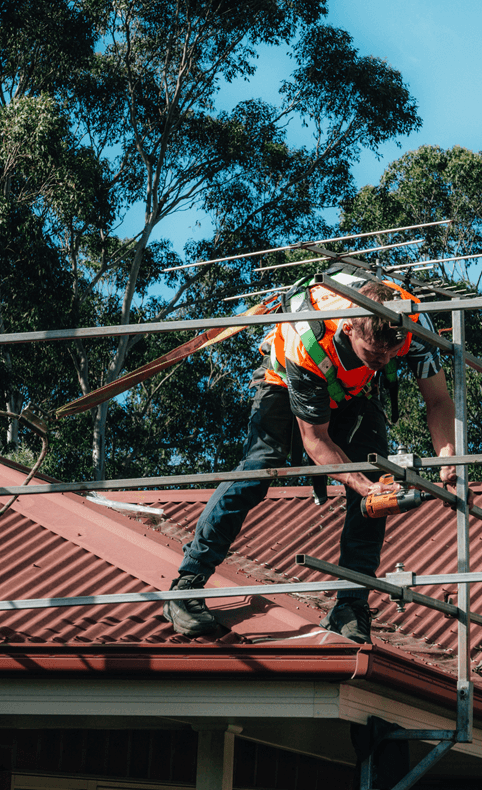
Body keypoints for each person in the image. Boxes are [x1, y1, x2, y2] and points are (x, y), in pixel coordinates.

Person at [164, 272, 457, 643]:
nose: (383, 361)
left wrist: (448, 457)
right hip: (286, 381)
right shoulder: (308, 342)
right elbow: (315, 441)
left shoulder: (411, 320)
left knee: (374, 488)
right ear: (349, 328)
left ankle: (351, 607)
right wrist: (360, 485)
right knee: (260, 468)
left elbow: (438, 400)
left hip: (353, 390)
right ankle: (186, 587)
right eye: (374, 353)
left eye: (390, 354)